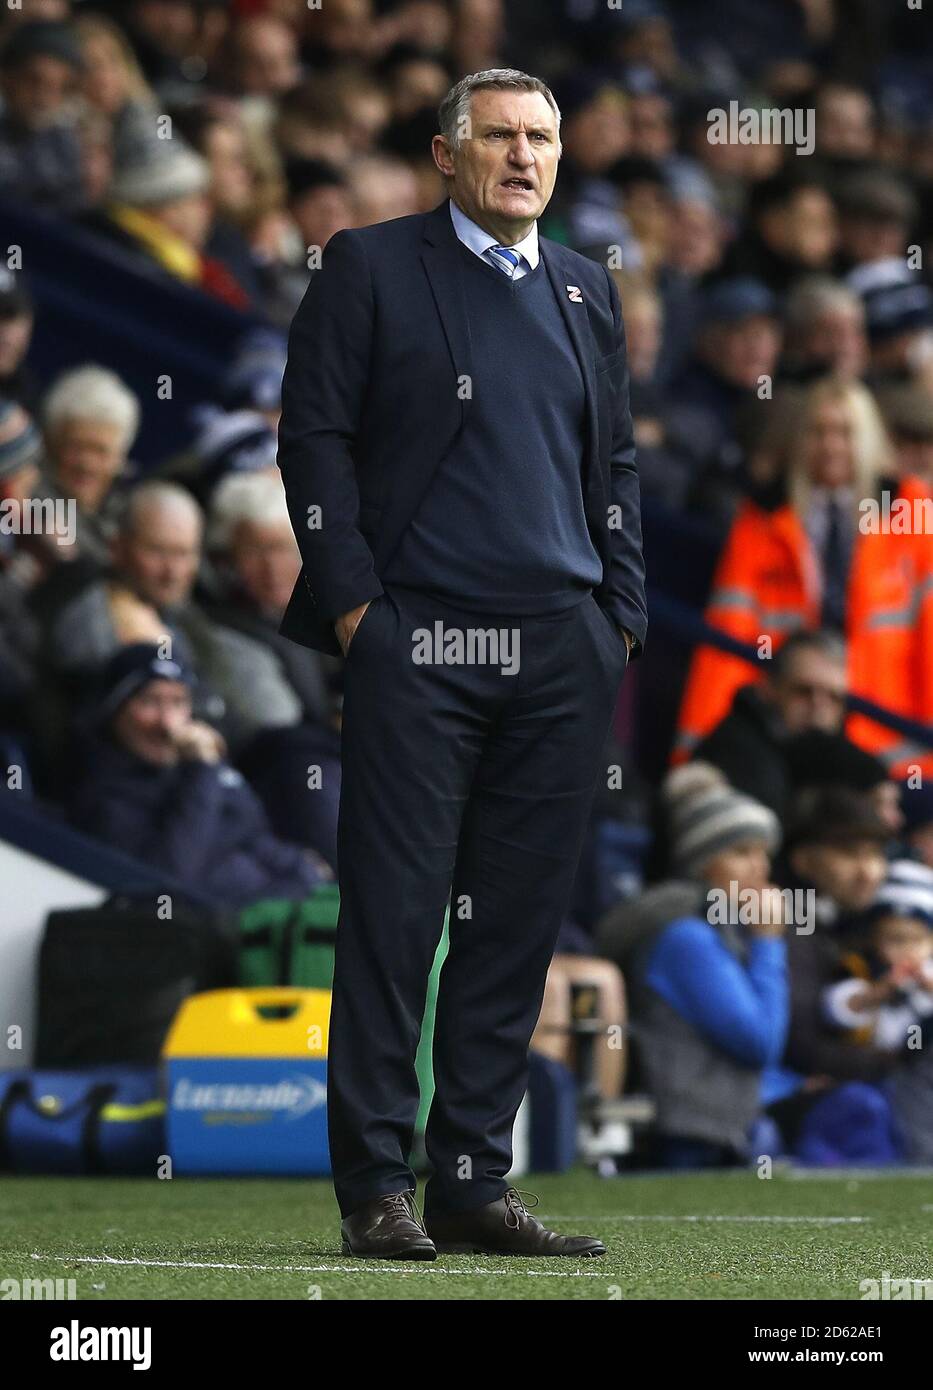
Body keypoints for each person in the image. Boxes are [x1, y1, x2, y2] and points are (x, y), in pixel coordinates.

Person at [277, 68, 647, 1259]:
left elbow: (620, 467)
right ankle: (376, 1186)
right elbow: (315, 439)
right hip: (417, 640)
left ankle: (473, 1180)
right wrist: (357, 615)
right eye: (500, 137)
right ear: (447, 155)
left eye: (542, 136)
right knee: (394, 917)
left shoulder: (589, 290)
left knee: (516, 926)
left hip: (563, 648)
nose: (526, 156)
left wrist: (619, 617)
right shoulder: (369, 266)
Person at [598, 781, 788, 1169]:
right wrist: (770, 943)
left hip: (714, 1130)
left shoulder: (720, 927)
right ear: (703, 863)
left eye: (763, 853)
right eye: (741, 852)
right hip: (688, 1137)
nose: (760, 868)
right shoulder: (688, 937)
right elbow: (758, 1041)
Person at [68, 643, 329, 907]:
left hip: (270, 911)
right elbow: (170, 876)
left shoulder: (191, 765)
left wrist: (306, 873)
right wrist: (202, 771)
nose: (168, 724)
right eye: (150, 702)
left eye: (178, 702)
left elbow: (254, 832)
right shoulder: (104, 791)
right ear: (114, 710)